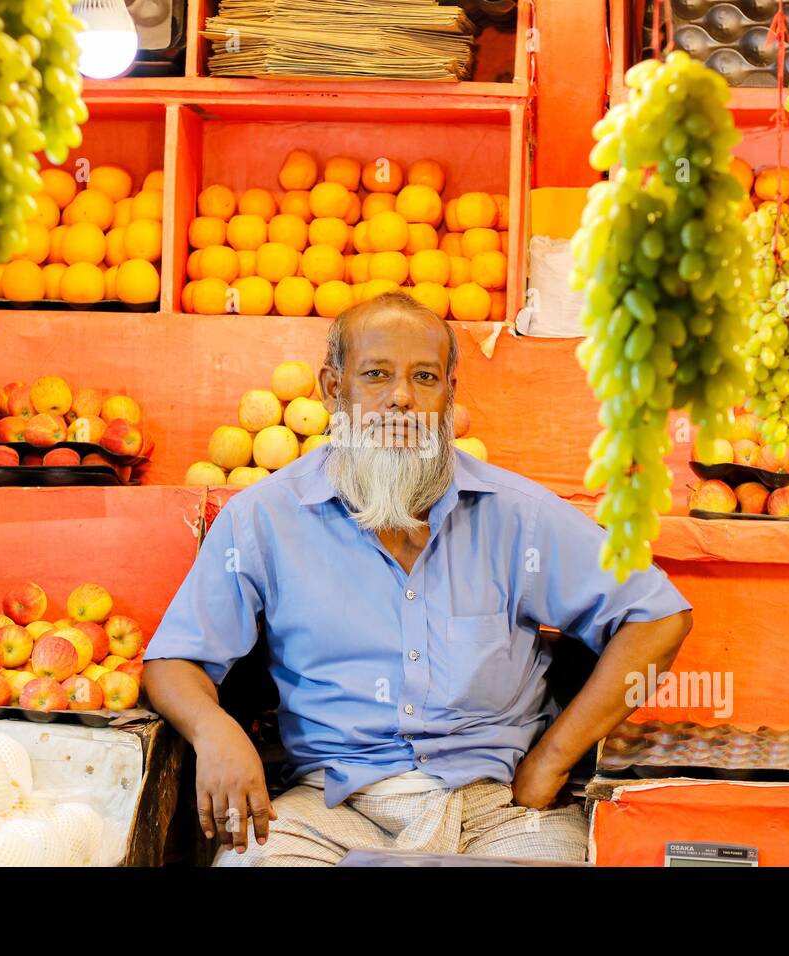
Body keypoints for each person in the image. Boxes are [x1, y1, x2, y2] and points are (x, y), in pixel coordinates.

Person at [143, 291, 692, 866]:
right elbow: (174, 660)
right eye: (376, 375)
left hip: (497, 809)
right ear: (334, 390)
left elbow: (658, 614)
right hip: (329, 811)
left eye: (424, 378)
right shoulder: (265, 518)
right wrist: (212, 729)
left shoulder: (516, 514)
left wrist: (552, 759)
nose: (401, 399)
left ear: (448, 395)